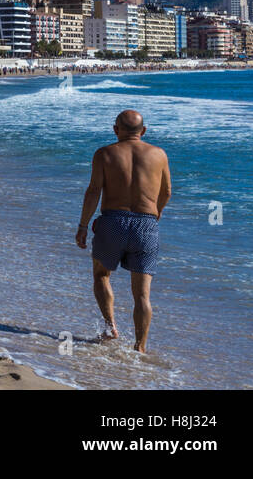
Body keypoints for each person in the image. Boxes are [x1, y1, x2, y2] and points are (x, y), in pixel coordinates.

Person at [75, 110, 171, 352]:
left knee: (101, 275)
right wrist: (156, 212)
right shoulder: (159, 154)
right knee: (142, 294)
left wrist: (83, 225)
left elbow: (94, 191)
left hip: (113, 222)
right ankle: (140, 346)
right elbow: (167, 192)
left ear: (115, 129)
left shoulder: (105, 154)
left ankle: (110, 327)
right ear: (144, 131)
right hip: (146, 224)